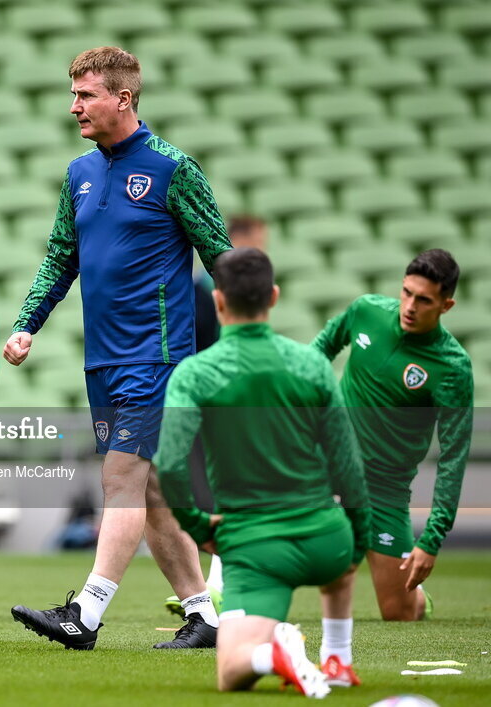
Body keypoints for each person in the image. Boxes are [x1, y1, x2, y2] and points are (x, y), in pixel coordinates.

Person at [5, 46, 231, 650]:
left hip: (156, 358)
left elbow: (222, 256)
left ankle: (86, 612)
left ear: (123, 98)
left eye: (86, 95)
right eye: (73, 94)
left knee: (122, 479)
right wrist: (29, 323)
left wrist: (239, 346)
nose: (73, 106)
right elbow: (61, 256)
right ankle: (204, 615)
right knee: (151, 494)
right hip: (102, 361)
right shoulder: (78, 173)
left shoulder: (172, 168)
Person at [156, 248, 371, 697]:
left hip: (255, 550)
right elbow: (347, 465)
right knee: (340, 572)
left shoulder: (196, 373)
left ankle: (272, 655)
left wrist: (200, 527)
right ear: (273, 297)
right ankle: (337, 658)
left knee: (232, 670)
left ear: (218, 301)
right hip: (326, 540)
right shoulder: (311, 364)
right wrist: (357, 539)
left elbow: (171, 467)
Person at [312, 249, 473, 621]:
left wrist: (432, 539)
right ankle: (219, 595)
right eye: (406, 292)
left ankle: (418, 600)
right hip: (325, 459)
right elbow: (321, 349)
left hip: (383, 488)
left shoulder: (452, 368)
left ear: (446, 306)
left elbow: (452, 458)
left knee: (399, 612)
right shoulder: (366, 310)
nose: (410, 306)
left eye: (424, 299)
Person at [166, 214, 270, 618]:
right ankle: (212, 586)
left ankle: (217, 585)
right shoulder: (205, 292)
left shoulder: (223, 292)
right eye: (256, 244)